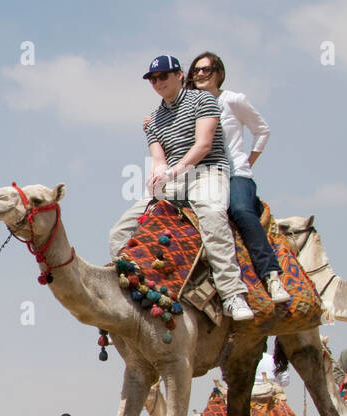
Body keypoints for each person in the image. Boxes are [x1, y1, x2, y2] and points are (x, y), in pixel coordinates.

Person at [109, 55, 253, 322]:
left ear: (178, 75)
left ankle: (233, 294)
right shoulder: (152, 120)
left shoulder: (203, 100)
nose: (158, 82)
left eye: (163, 76)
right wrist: (156, 177)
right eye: (153, 78)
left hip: (206, 171)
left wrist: (175, 170)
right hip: (173, 181)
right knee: (119, 233)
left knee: (211, 214)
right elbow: (158, 160)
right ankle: (141, 288)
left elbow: (204, 145)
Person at [186, 52, 288, 305]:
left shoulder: (233, 100)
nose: (199, 74)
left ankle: (271, 276)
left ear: (219, 73)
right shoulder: (189, 105)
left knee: (241, 211)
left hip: (234, 176)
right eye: (195, 70)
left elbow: (262, 130)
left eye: (206, 70)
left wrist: (247, 162)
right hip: (202, 175)